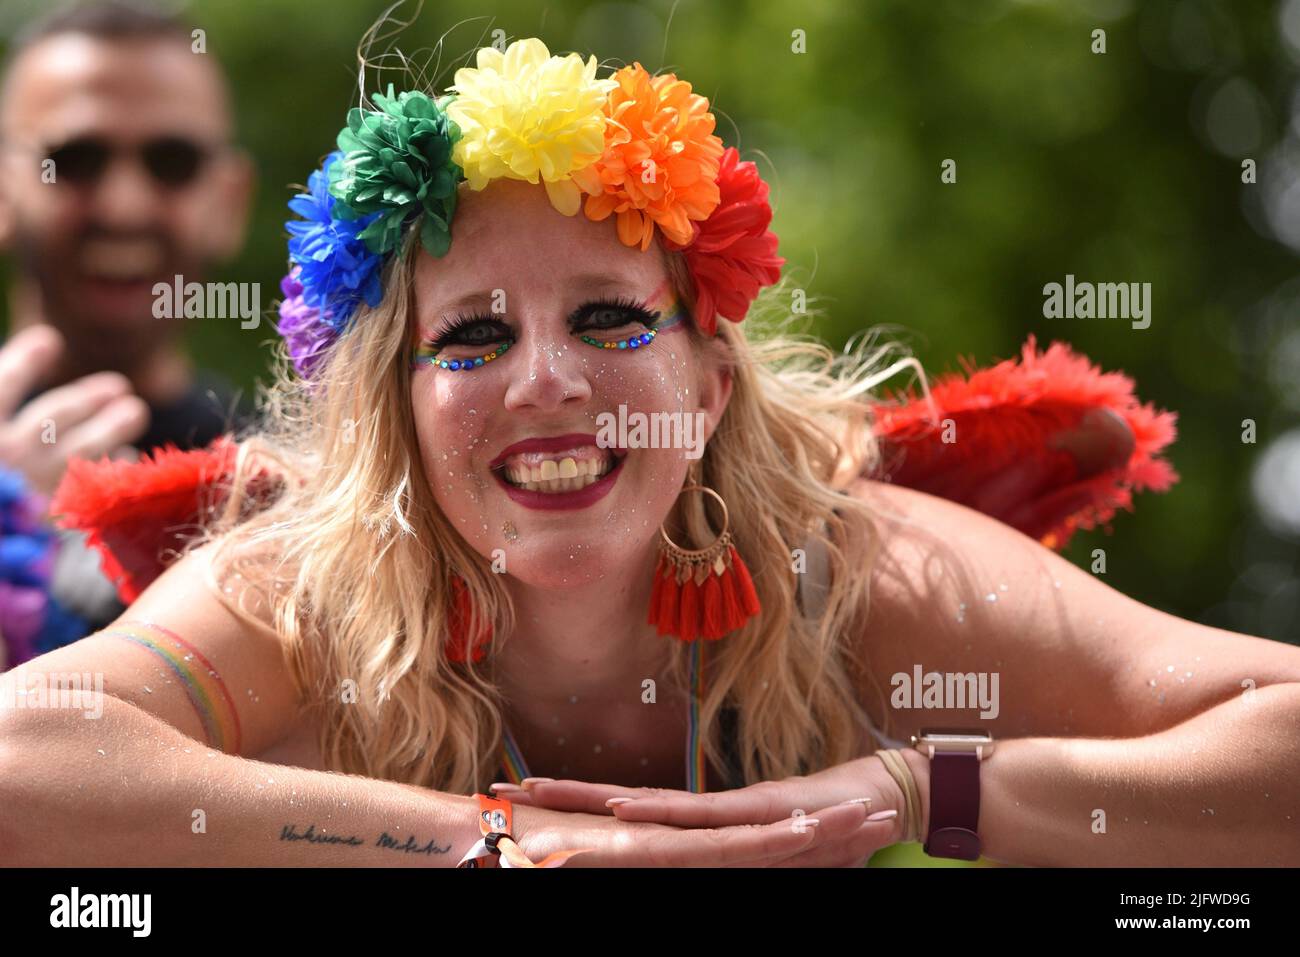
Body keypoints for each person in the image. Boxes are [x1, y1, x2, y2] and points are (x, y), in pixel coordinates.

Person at [2, 36, 1297, 868]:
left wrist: (919, 792)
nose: (550, 380)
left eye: (611, 318)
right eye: (472, 338)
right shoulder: (300, 590)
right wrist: (486, 845)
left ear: (710, 380)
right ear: (394, 411)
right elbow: (22, 757)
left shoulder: (852, 569)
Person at [0, 0, 256, 662]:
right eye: (76, 158)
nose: (124, 204)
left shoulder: (299, 479)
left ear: (230, 201)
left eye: (172, 162)